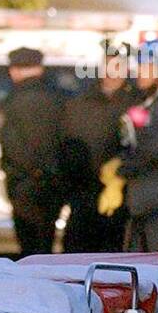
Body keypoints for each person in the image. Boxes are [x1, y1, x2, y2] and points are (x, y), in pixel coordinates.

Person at [107, 39, 158, 255]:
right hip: (146, 200)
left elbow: (156, 149)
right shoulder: (151, 103)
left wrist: (121, 169)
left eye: (146, 66)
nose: (139, 72)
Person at [60, 42, 137, 253]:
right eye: (108, 66)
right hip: (84, 196)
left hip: (123, 198)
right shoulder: (78, 104)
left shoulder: (137, 103)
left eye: (118, 67)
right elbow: (65, 147)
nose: (112, 73)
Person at [0, 46, 65, 256]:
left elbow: (10, 144)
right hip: (53, 183)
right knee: (46, 241)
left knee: (29, 247)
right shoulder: (59, 98)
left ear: (14, 70)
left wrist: (28, 171)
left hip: (23, 184)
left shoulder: (12, 101)